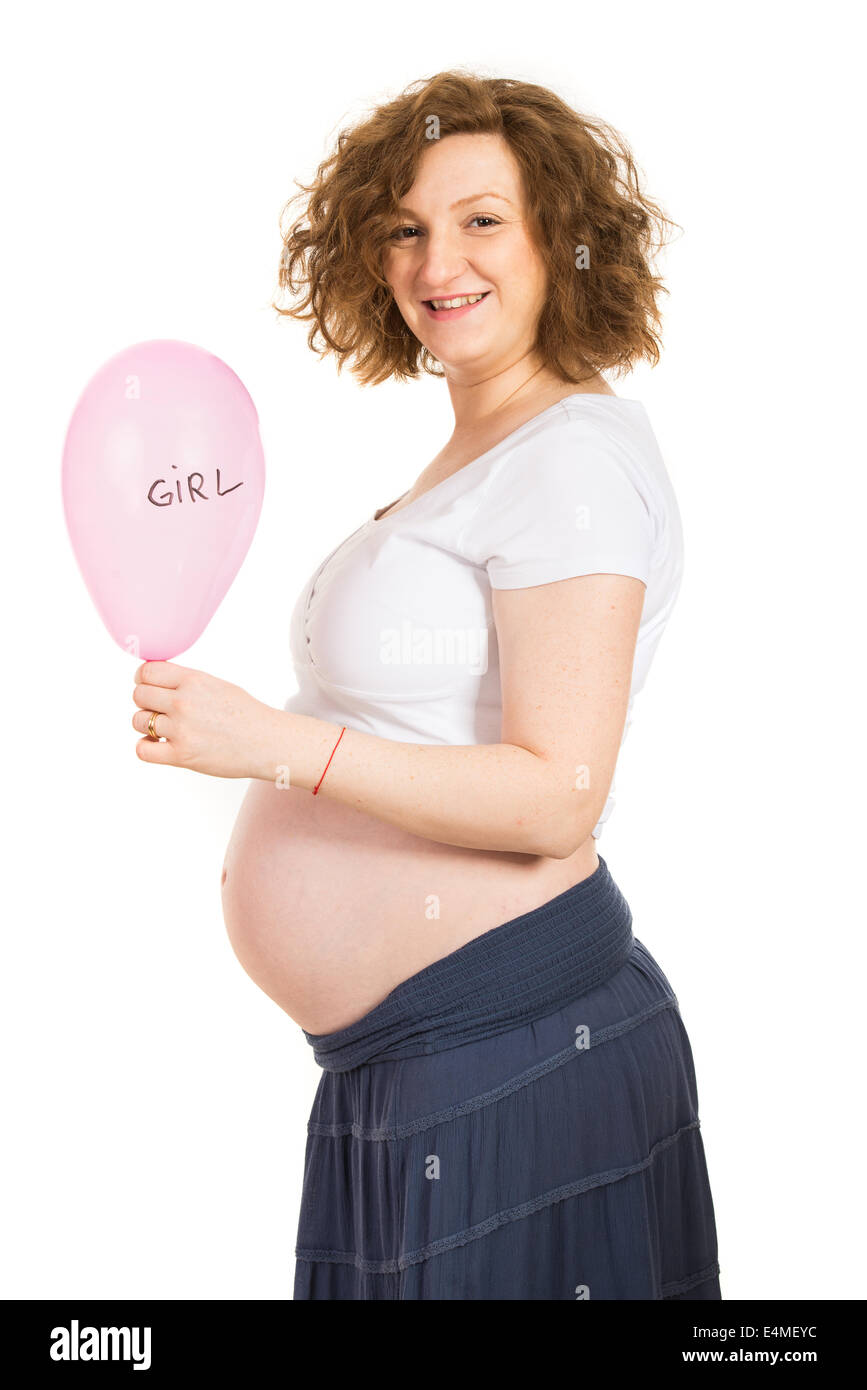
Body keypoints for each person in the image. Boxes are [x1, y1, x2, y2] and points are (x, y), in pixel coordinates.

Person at [133, 70, 720, 1300]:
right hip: (412, 1061)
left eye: (480, 219)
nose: (434, 258)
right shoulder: (489, 447)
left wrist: (267, 745)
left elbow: (557, 796)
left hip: (509, 1054)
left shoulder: (569, 462)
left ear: (564, 238)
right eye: (404, 226)